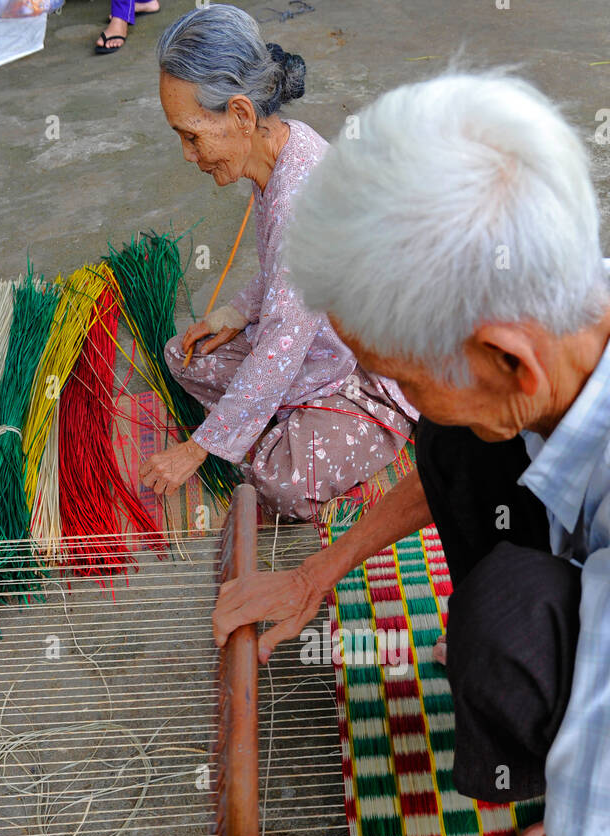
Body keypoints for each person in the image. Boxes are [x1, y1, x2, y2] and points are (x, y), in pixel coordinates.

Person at [204, 69, 610, 836]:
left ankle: (583, 799)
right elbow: (463, 436)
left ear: (510, 360)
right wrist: (314, 576)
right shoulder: (591, 301)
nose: (397, 401)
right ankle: (559, 750)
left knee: (503, 621)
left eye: (400, 378)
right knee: (453, 437)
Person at [142, 6, 417, 518]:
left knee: (279, 485)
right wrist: (233, 316)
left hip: (364, 368)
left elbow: (282, 349)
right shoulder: (279, 145)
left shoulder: (301, 199)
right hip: (310, 345)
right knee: (184, 354)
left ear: (242, 115)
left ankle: (372, 423)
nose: (187, 154)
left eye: (191, 134)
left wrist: (198, 448)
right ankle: (274, 417)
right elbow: (280, 279)